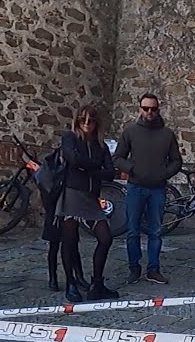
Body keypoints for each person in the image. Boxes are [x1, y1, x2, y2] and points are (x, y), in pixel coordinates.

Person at [114, 92, 181, 285]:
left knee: (155, 232)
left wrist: (164, 173)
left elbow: (176, 161)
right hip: (135, 187)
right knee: (132, 231)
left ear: (158, 110)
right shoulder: (130, 132)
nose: (149, 112)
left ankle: (153, 269)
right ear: (140, 109)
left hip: (157, 189)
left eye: (153, 109)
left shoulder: (167, 134)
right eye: (146, 108)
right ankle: (134, 268)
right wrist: (132, 169)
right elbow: (117, 158)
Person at [58, 105, 118, 302]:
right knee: (69, 240)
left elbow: (110, 173)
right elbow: (73, 159)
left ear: (96, 123)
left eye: (91, 120)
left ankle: (97, 283)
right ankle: (71, 283)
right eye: (82, 119)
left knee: (105, 238)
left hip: (91, 198)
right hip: (72, 194)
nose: (86, 123)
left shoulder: (100, 146)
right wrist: (95, 166)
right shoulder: (70, 138)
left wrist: (89, 169)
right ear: (77, 121)